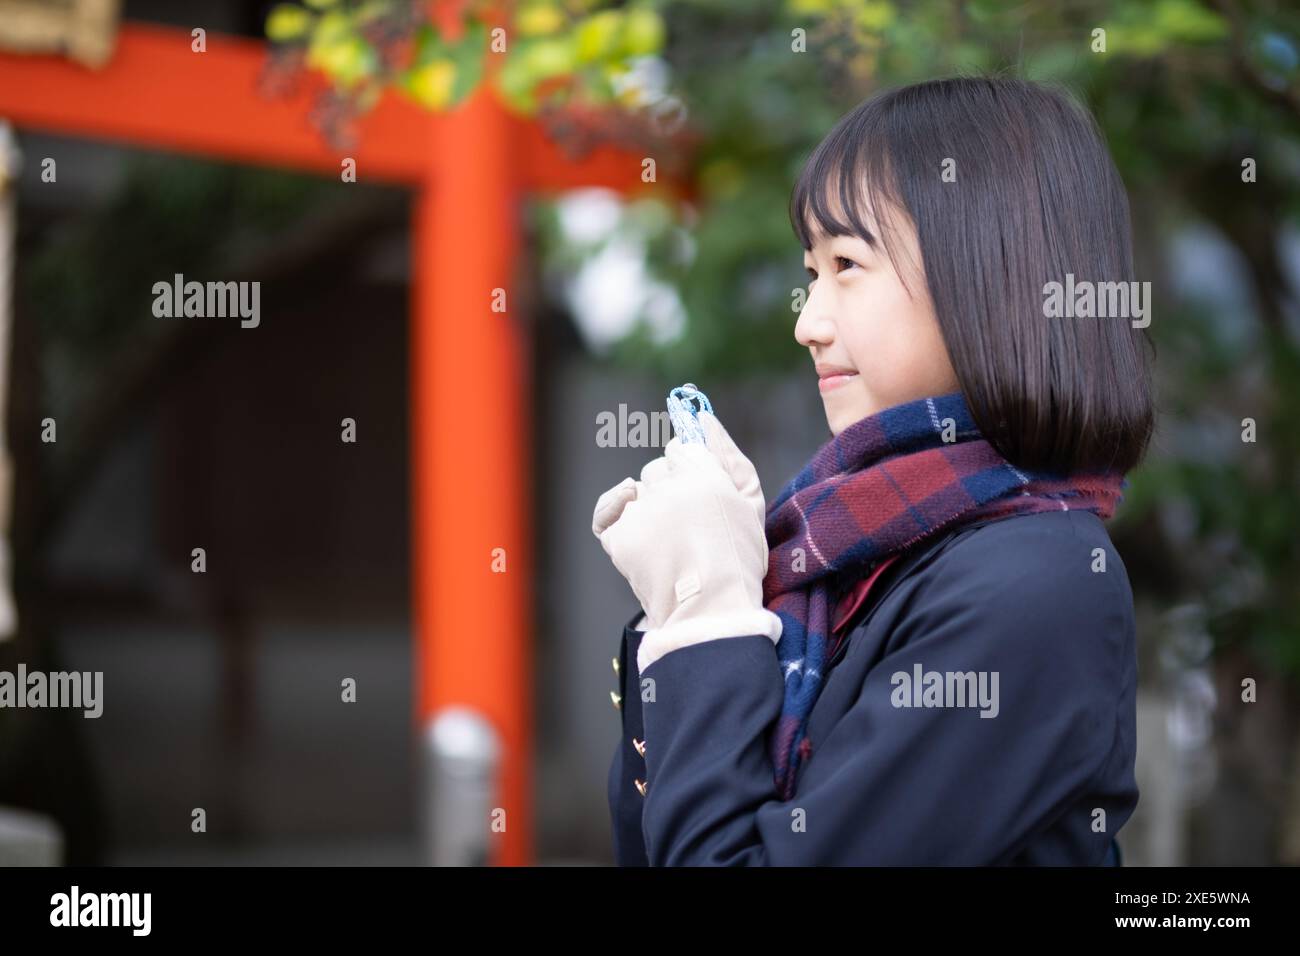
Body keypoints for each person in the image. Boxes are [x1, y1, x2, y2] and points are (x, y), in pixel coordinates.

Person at [593, 75, 1154, 866]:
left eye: (846, 264)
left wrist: (708, 622)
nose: (807, 323)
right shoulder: (838, 548)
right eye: (810, 273)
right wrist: (694, 593)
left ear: (989, 271)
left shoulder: (1036, 584)